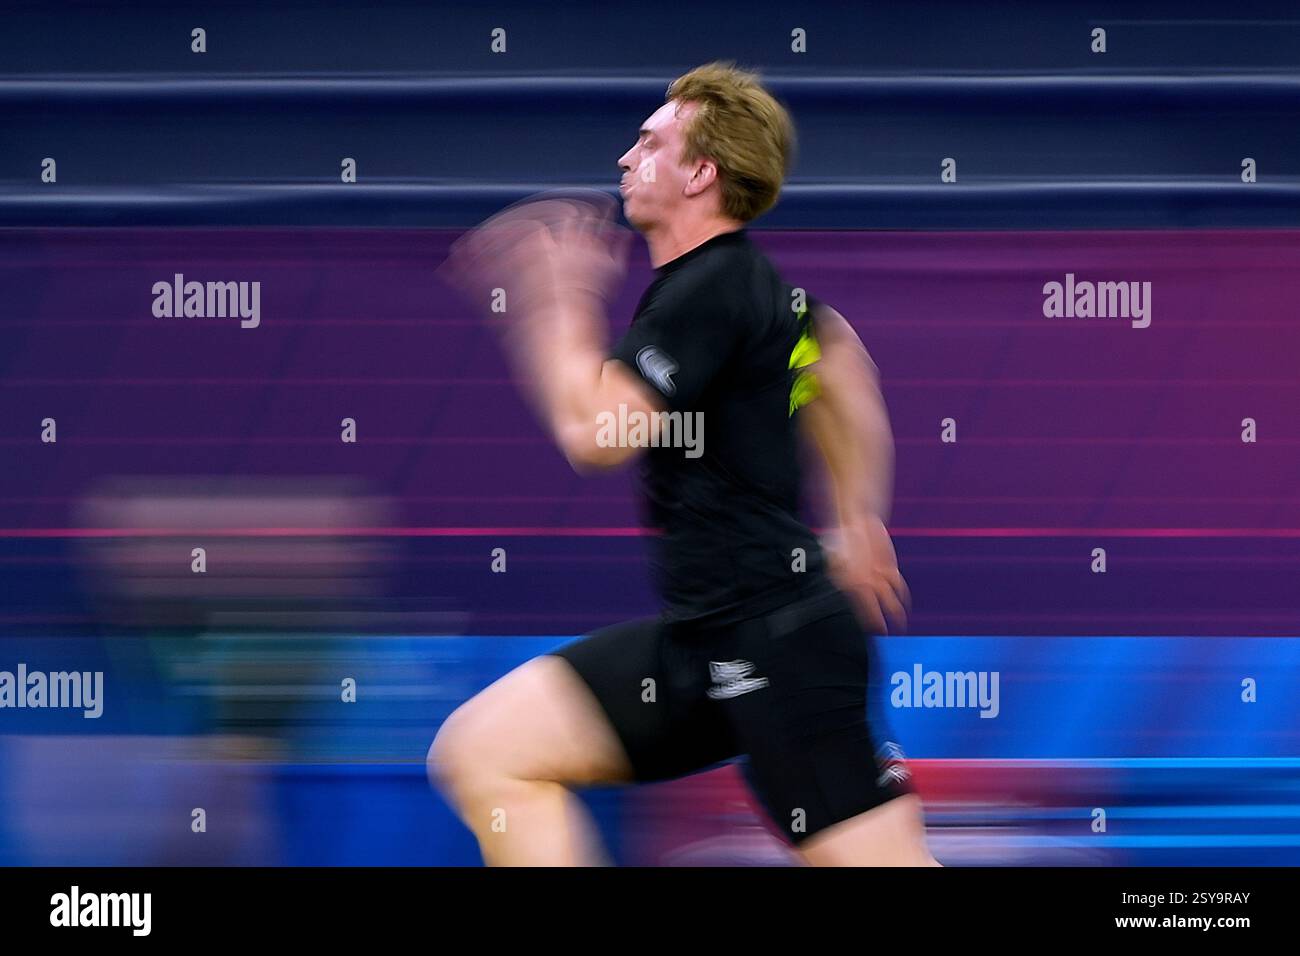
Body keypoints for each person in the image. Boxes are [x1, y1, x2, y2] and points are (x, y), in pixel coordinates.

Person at [429, 61, 938, 867]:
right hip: (704, 645)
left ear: (701, 173)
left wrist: (556, 303)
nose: (626, 159)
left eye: (649, 142)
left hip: (780, 645)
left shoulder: (715, 284)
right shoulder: (750, 291)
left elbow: (596, 433)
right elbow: (839, 362)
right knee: (487, 750)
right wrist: (857, 517)